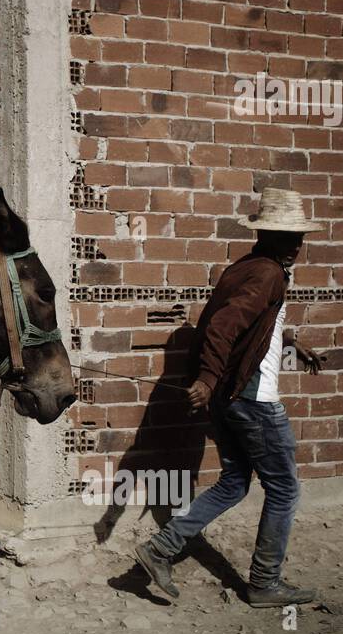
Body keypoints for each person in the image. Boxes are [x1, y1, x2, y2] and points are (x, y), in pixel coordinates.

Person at [134, 188, 324, 607]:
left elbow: (251, 319)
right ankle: (264, 583)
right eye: (287, 235)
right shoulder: (269, 273)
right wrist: (205, 376)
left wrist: (289, 340)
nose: (297, 244)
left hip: (228, 395)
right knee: (285, 489)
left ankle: (159, 549)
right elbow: (221, 326)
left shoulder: (246, 267)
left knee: (235, 483)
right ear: (266, 234)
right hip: (253, 399)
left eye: (300, 236)